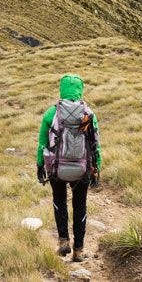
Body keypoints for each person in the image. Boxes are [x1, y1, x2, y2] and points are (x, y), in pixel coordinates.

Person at [37, 73, 101, 263]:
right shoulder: (89, 114)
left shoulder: (51, 113)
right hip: (83, 170)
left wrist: (41, 165)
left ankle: (63, 240)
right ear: (80, 89)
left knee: (59, 201)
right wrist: (96, 168)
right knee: (80, 205)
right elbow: (95, 144)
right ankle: (79, 251)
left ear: (62, 89)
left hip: (57, 169)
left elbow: (42, 142)